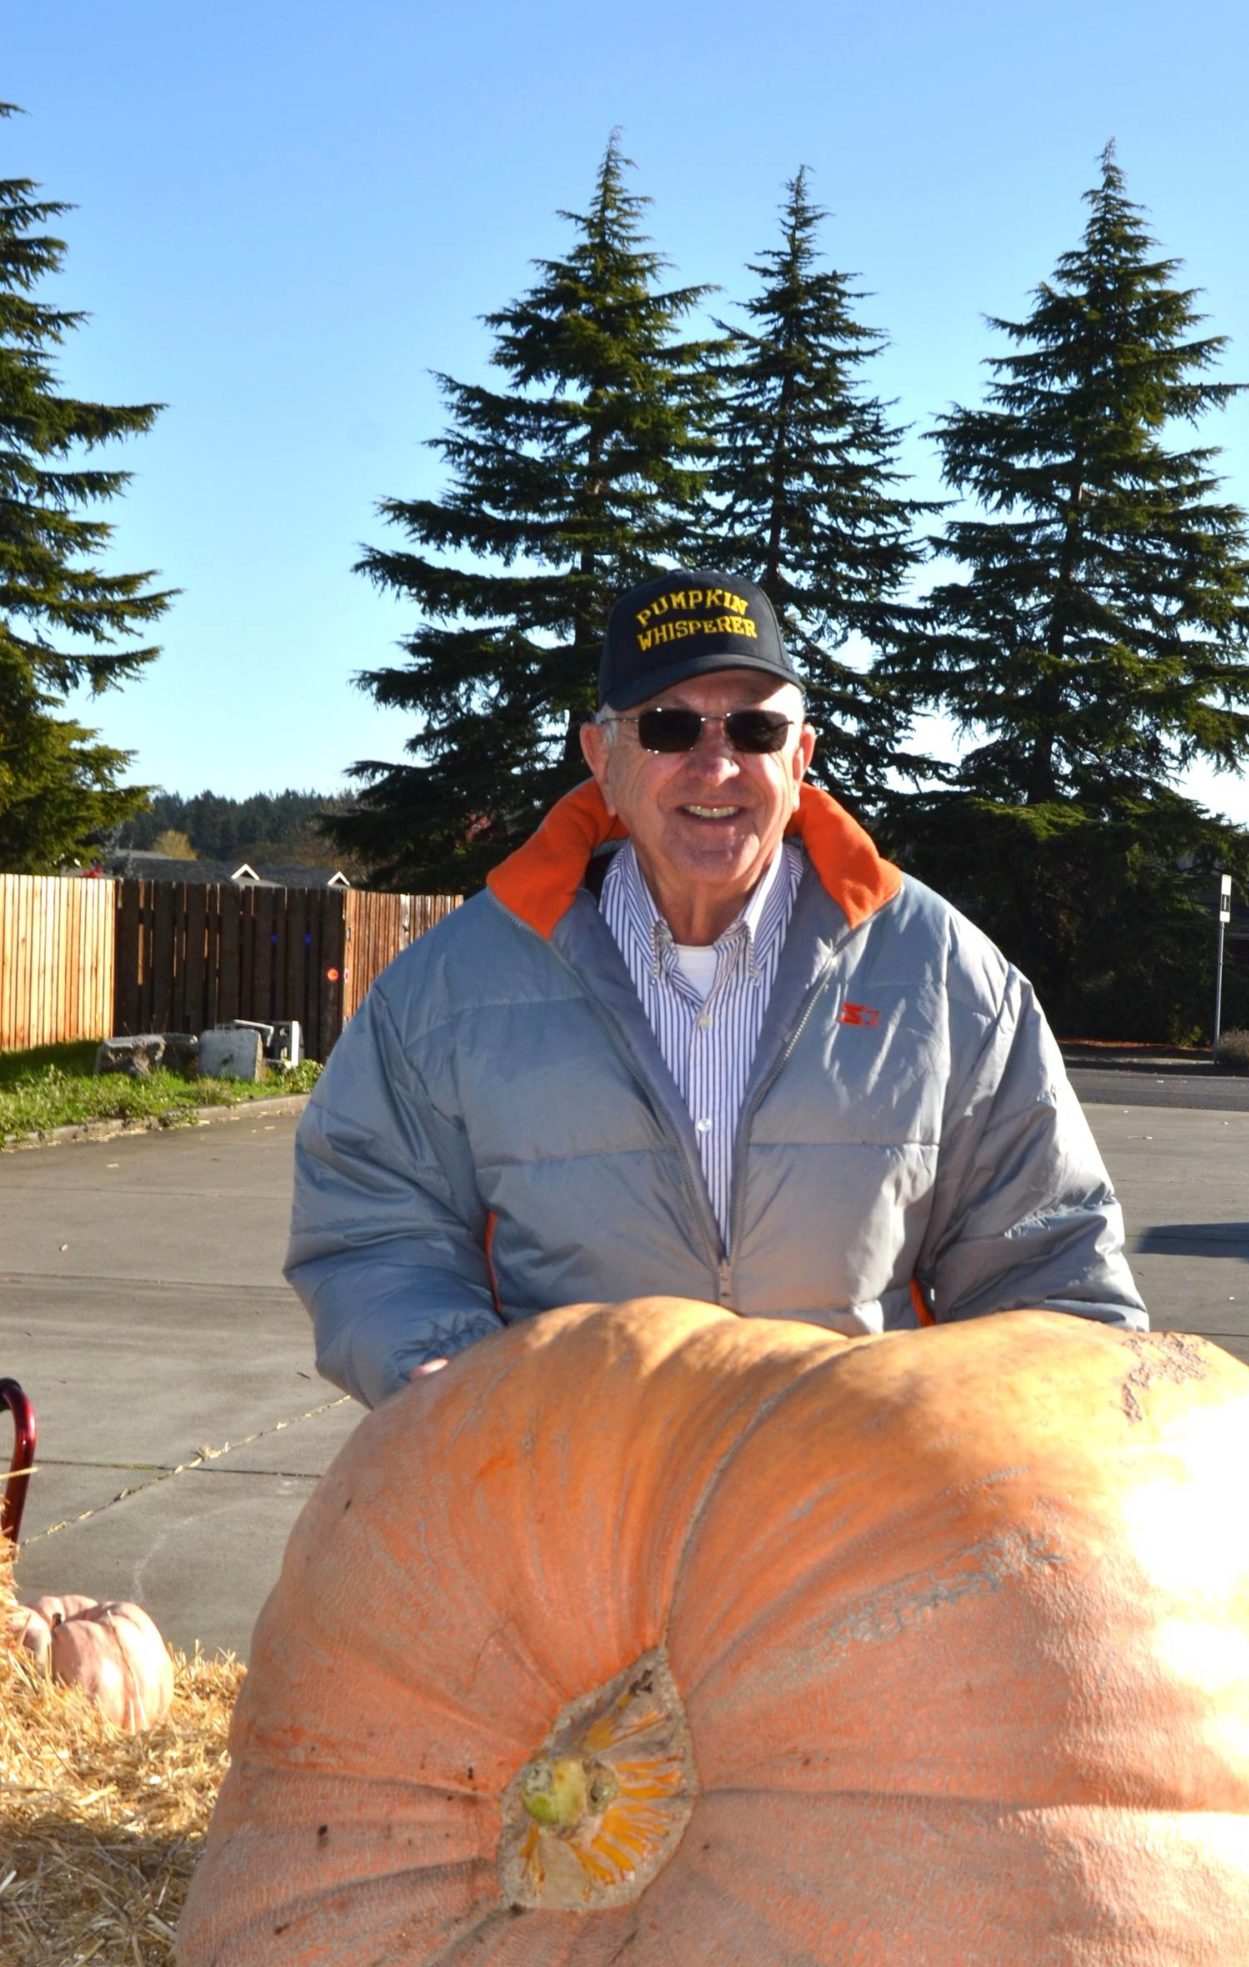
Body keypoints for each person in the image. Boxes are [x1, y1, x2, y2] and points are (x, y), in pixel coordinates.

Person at [287, 570, 1145, 1405]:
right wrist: (445, 1368)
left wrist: (1053, 1423)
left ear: (800, 756)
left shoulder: (945, 975)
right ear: (602, 759)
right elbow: (375, 1226)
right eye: (666, 728)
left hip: (856, 1508)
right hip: (560, 1502)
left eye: (753, 731)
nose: (715, 764)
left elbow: (1047, 1256)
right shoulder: (454, 984)